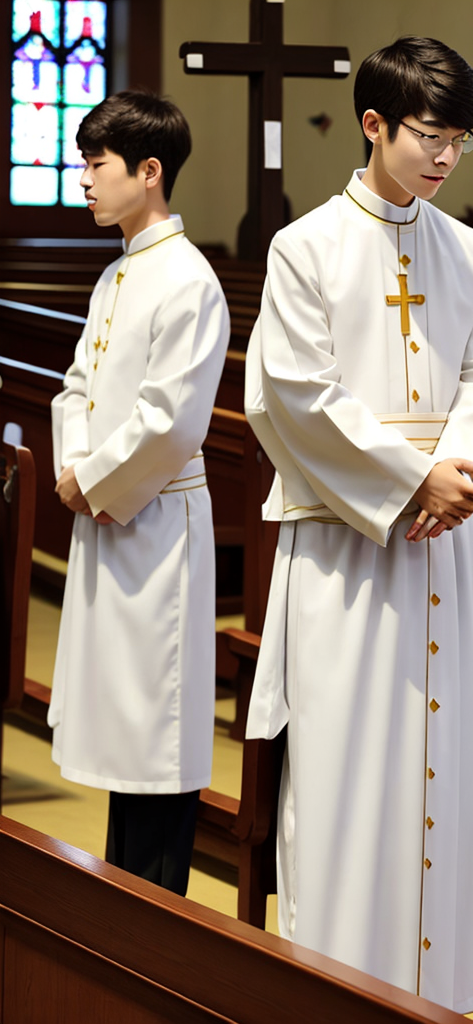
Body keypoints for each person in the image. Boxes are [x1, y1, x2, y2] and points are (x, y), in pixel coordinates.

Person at [243, 36, 473, 1012]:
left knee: (441, 782)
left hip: (445, 547)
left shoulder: (464, 245)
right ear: (372, 124)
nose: (443, 159)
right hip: (348, 548)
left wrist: (456, 473)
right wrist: (411, 479)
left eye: (459, 141)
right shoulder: (305, 247)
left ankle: (434, 997)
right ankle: (333, 994)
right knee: (349, 782)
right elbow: (294, 395)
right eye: (427, 137)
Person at [50, 90, 230, 896]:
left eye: (97, 164)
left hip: (157, 527)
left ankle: (155, 919)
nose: (83, 179)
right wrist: (74, 467)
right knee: (126, 737)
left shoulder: (187, 280)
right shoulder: (122, 271)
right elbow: (77, 385)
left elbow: (170, 421)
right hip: (112, 513)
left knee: (158, 739)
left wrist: (91, 481)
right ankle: (122, 909)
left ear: (149, 172)